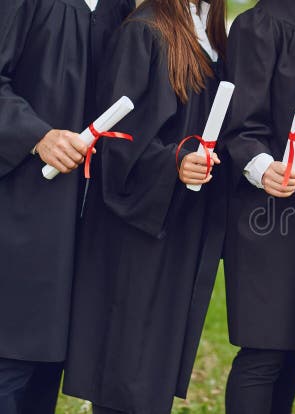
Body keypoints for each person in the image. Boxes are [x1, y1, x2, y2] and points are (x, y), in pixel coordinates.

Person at [61, 0, 227, 412]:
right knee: (128, 369)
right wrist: (174, 162)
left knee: (152, 365)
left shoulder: (209, 29)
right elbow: (117, 138)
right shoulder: (145, 31)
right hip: (138, 221)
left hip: (180, 217)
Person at [0, 0, 133, 412]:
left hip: (84, 213)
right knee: (11, 356)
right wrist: (37, 135)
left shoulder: (117, 7)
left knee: (48, 364)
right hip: (19, 201)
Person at [221, 0, 295, 412]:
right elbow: (241, 122)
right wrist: (262, 166)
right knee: (265, 347)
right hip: (268, 208)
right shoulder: (260, 25)